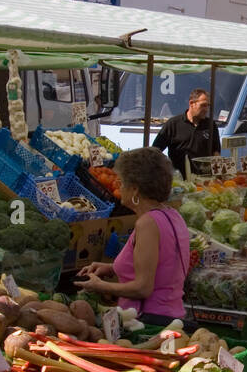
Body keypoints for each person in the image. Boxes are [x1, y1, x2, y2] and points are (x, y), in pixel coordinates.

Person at [74, 147, 191, 325]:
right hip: (170, 316)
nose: (118, 186)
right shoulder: (173, 215)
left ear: (135, 189)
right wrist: (112, 268)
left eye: (122, 182)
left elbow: (143, 288)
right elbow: (161, 267)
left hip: (147, 321)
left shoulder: (147, 224)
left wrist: (100, 286)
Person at [152, 88, 219, 176]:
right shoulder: (173, 124)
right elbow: (155, 151)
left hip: (204, 180)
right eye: (203, 105)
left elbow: (216, 152)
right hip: (179, 181)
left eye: (208, 106)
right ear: (191, 103)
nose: (206, 109)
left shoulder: (211, 125)